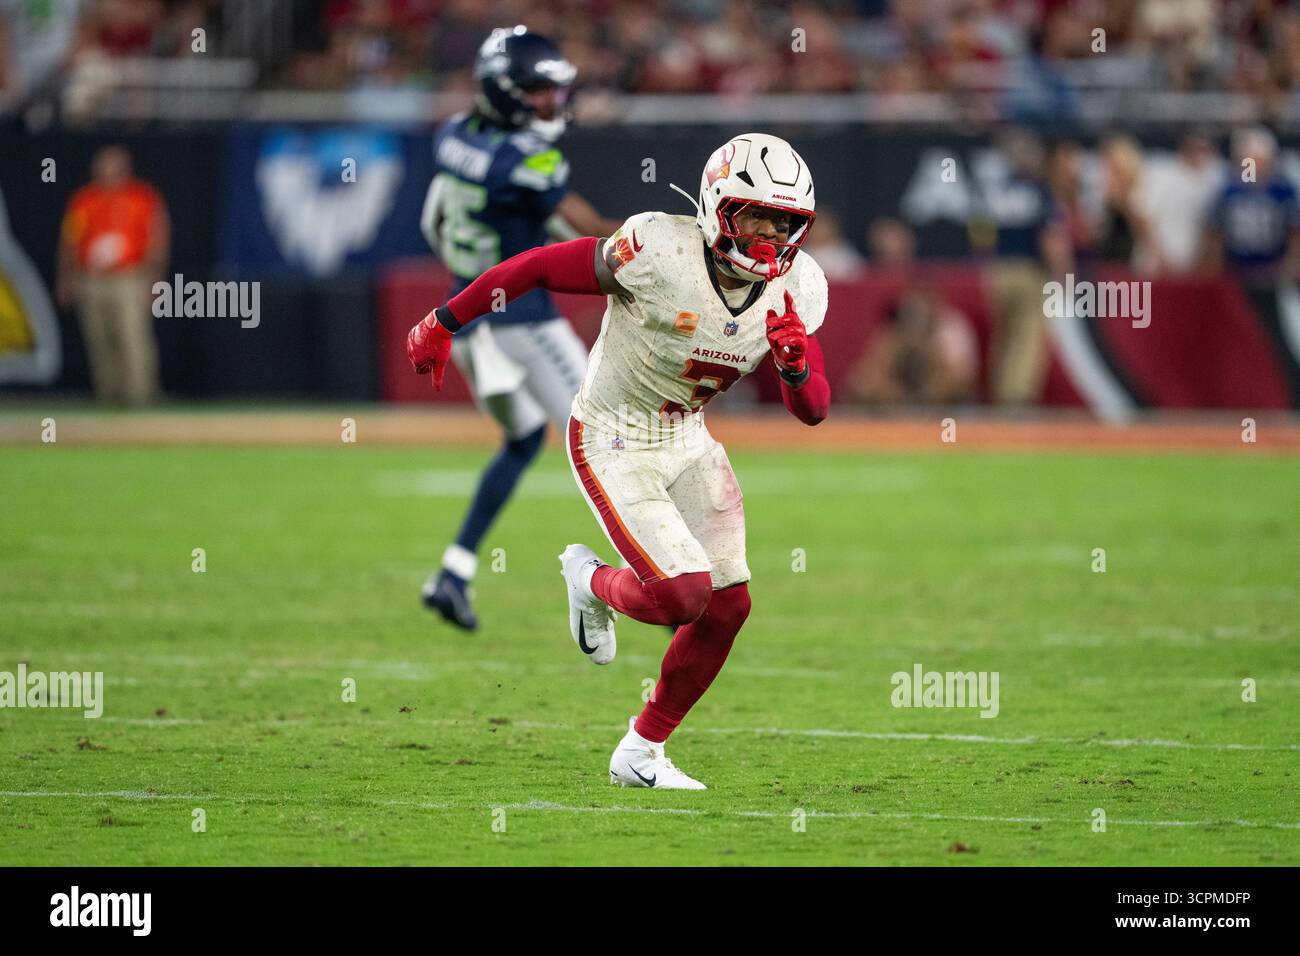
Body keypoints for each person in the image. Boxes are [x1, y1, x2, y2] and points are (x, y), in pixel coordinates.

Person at [407, 133, 830, 789]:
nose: (773, 235)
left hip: (687, 437)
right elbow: (543, 265)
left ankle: (640, 752)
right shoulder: (660, 250)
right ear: (720, 206)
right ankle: (589, 580)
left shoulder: (799, 288)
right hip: (613, 434)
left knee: (729, 607)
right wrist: (445, 320)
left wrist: (797, 367)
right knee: (682, 596)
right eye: (759, 216)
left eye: (786, 222)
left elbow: (814, 411)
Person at [417, 26, 621, 631]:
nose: (549, 103)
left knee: (524, 439)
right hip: (520, 322)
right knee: (609, 439)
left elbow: (434, 221)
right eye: (535, 91)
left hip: (467, 317)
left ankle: (452, 573)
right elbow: (577, 233)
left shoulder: (454, 135)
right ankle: (650, 583)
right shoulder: (528, 161)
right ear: (505, 91)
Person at [56, 144, 169, 406]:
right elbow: (69, 242)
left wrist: (154, 278)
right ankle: (108, 397)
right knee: (99, 339)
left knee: (132, 336)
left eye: (113, 164)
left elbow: (158, 240)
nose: (107, 170)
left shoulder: (142, 197)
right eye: (103, 164)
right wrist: (66, 277)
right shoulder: (84, 200)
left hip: (128, 278)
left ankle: (140, 396)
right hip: (91, 279)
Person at [1200, 126, 1300, 282]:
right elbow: (1215, 231)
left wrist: (1292, 261)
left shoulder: (1283, 189)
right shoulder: (1228, 190)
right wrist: (1214, 265)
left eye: (1259, 160)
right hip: (1235, 269)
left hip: (1274, 269)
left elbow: (1294, 230)